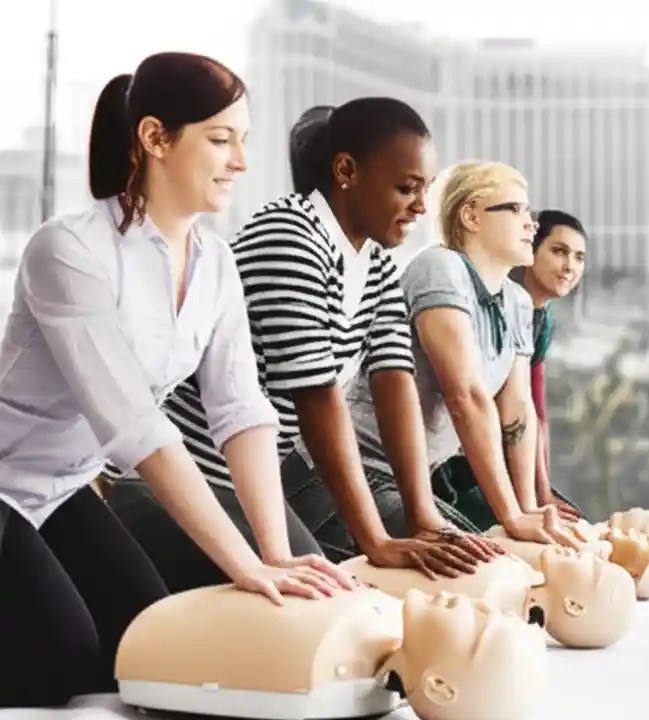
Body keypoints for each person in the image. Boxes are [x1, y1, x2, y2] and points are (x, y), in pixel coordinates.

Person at [0, 53, 353, 709]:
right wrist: (241, 565)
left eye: (244, 141)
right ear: (156, 138)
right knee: (59, 663)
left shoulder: (216, 263)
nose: (240, 162)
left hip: (61, 490)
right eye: (221, 140)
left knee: (138, 642)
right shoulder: (68, 249)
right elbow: (136, 427)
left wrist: (272, 554)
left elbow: (242, 411)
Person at [105, 98, 498, 588]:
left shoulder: (374, 264)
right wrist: (374, 539)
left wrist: (424, 517)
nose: (420, 206)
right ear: (347, 171)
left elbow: (393, 378)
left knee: (335, 586)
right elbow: (317, 399)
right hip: (169, 480)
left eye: (426, 190)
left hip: (249, 485)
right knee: (316, 598)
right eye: (406, 188)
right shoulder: (289, 237)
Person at [349, 160, 582, 546]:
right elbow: (466, 396)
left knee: (525, 553)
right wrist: (509, 516)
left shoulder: (518, 301)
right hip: (360, 474)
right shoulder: (439, 266)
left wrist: (526, 513)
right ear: (471, 215)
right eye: (515, 209)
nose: (531, 223)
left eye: (529, 211)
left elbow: (518, 410)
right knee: (484, 564)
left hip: (414, 481)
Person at [512, 209, 589, 522]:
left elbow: (537, 411)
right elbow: (515, 411)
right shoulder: (506, 304)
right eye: (559, 251)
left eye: (580, 257)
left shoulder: (542, 320)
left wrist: (544, 490)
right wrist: (536, 497)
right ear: (530, 249)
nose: (570, 266)